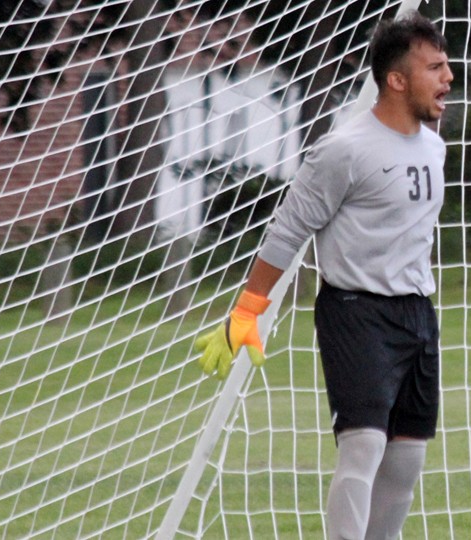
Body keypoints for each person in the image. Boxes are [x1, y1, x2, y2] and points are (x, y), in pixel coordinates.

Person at [192, 12, 453, 540]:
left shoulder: (433, 143)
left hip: (418, 314)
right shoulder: (343, 150)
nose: (449, 77)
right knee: (363, 447)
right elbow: (288, 230)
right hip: (357, 313)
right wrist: (248, 310)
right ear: (396, 80)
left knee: (406, 462)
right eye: (436, 67)